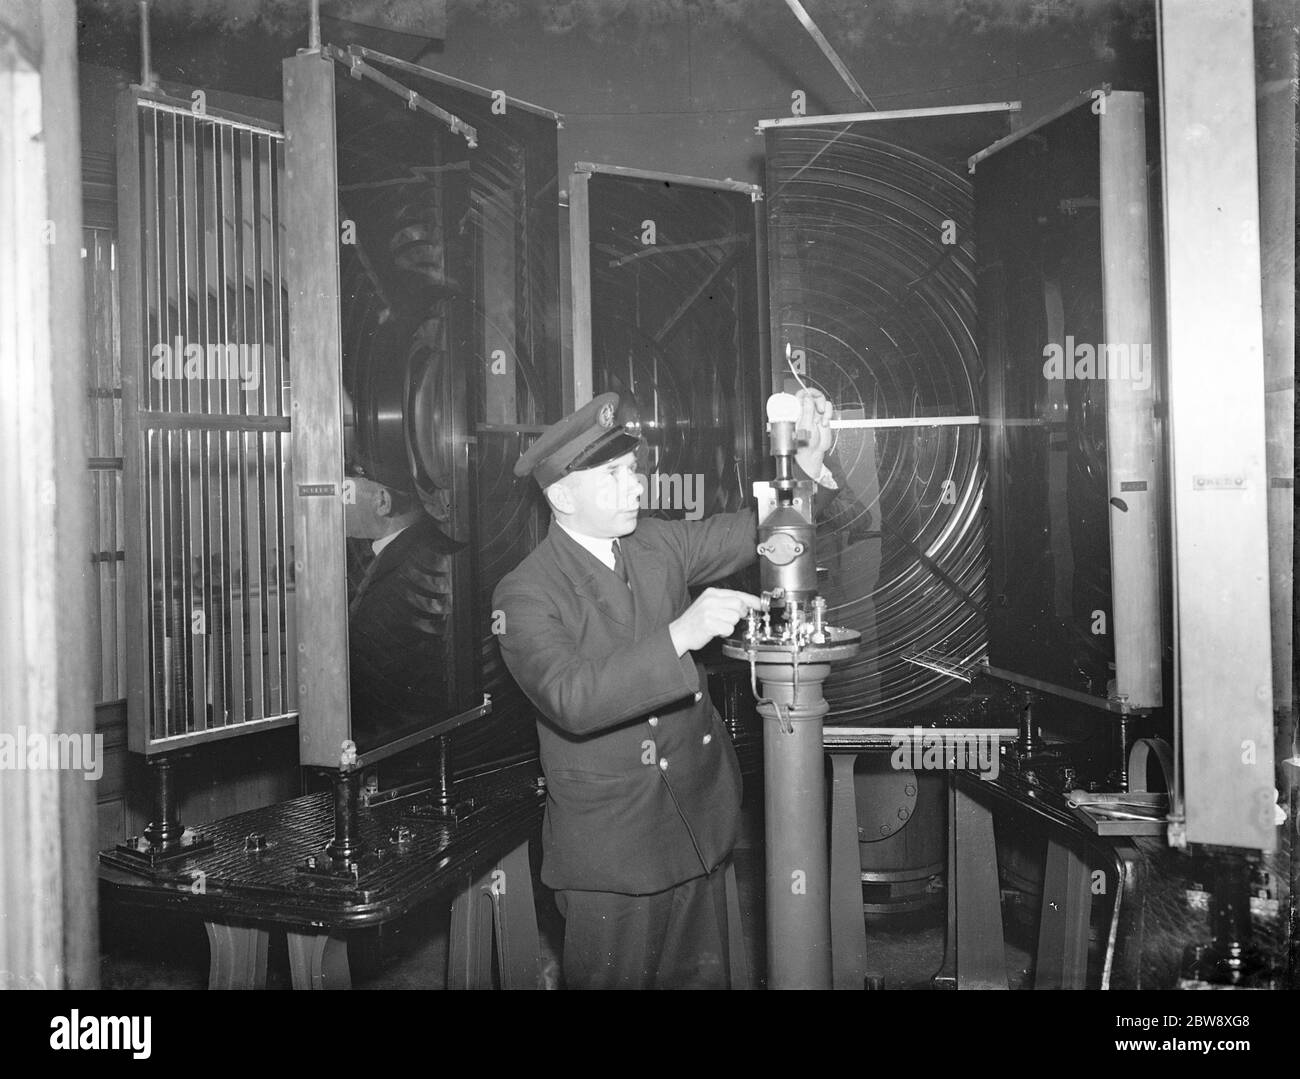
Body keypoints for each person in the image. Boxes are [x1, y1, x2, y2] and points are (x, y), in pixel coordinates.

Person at [493, 387, 835, 989]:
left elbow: (751, 532)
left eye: (633, 469)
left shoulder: (657, 543)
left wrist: (803, 465)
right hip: (614, 855)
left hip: (697, 826)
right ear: (562, 496)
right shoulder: (525, 593)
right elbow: (570, 697)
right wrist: (681, 633)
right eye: (613, 475)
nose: (636, 486)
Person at [345, 467, 465, 751]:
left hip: (399, 742)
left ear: (383, 501)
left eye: (344, 492)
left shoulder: (425, 562)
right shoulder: (396, 551)